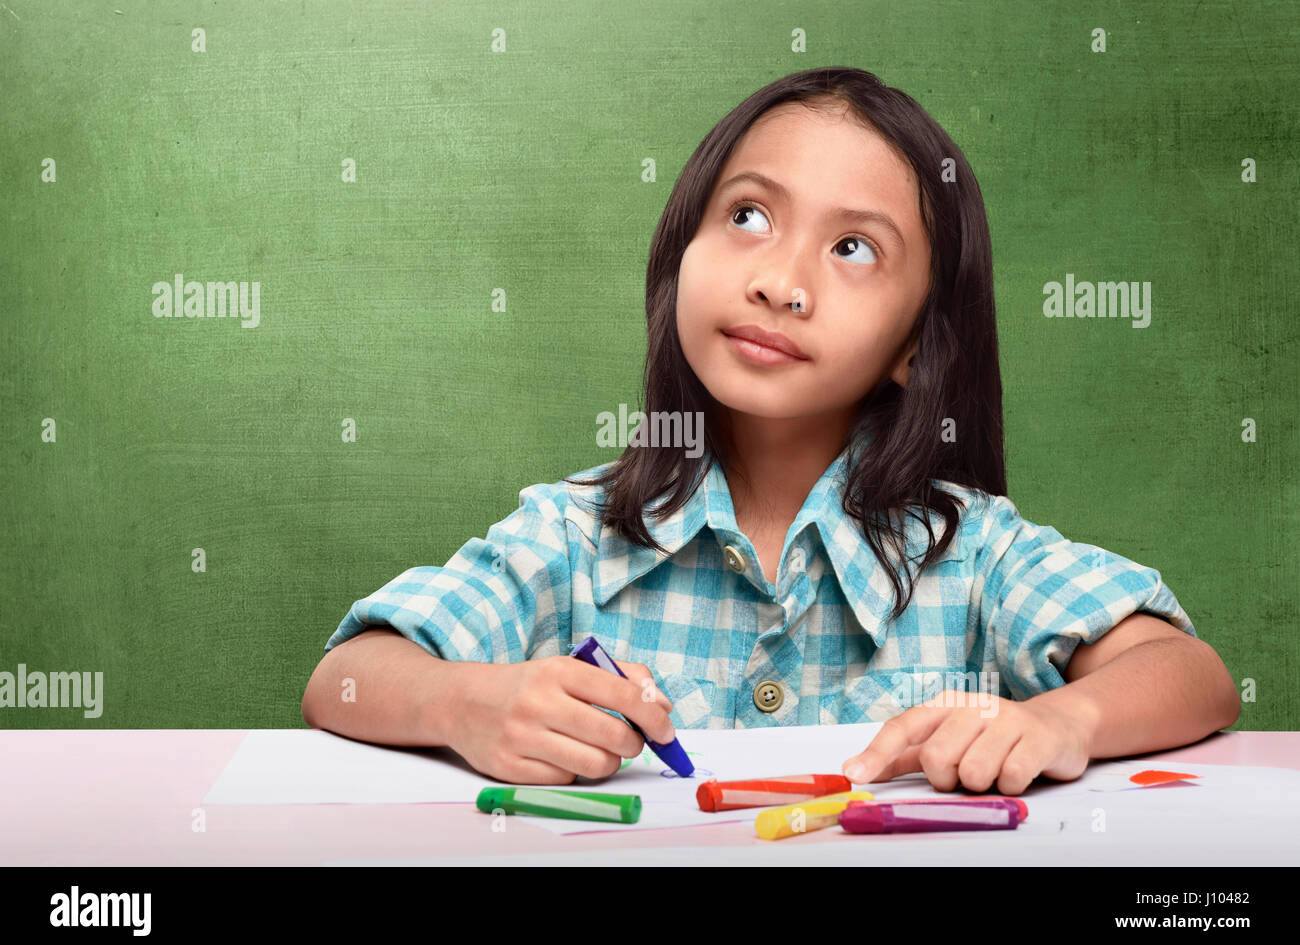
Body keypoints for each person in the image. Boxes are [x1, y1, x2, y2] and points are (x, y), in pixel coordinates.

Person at [302, 67, 1239, 796]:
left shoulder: (973, 552)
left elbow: (1189, 673)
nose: (781, 281)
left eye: (852, 248)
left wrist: (1061, 725)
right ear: (682, 253)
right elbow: (346, 676)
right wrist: (467, 704)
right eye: (747, 215)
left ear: (915, 345)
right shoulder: (572, 538)